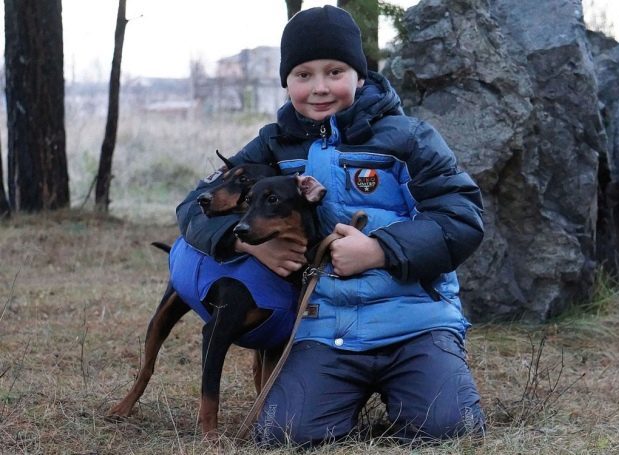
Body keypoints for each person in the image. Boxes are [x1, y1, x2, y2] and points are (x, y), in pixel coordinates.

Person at [176, 5, 486, 447]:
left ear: (360, 75)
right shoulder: (271, 146)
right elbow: (194, 206)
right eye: (303, 75)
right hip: (322, 330)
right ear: (287, 82)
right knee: (286, 435)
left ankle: (423, 381)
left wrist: (381, 250)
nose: (319, 87)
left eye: (334, 71)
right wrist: (247, 246)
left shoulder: (410, 138)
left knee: (449, 429)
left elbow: (462, 216)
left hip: (415, 323)